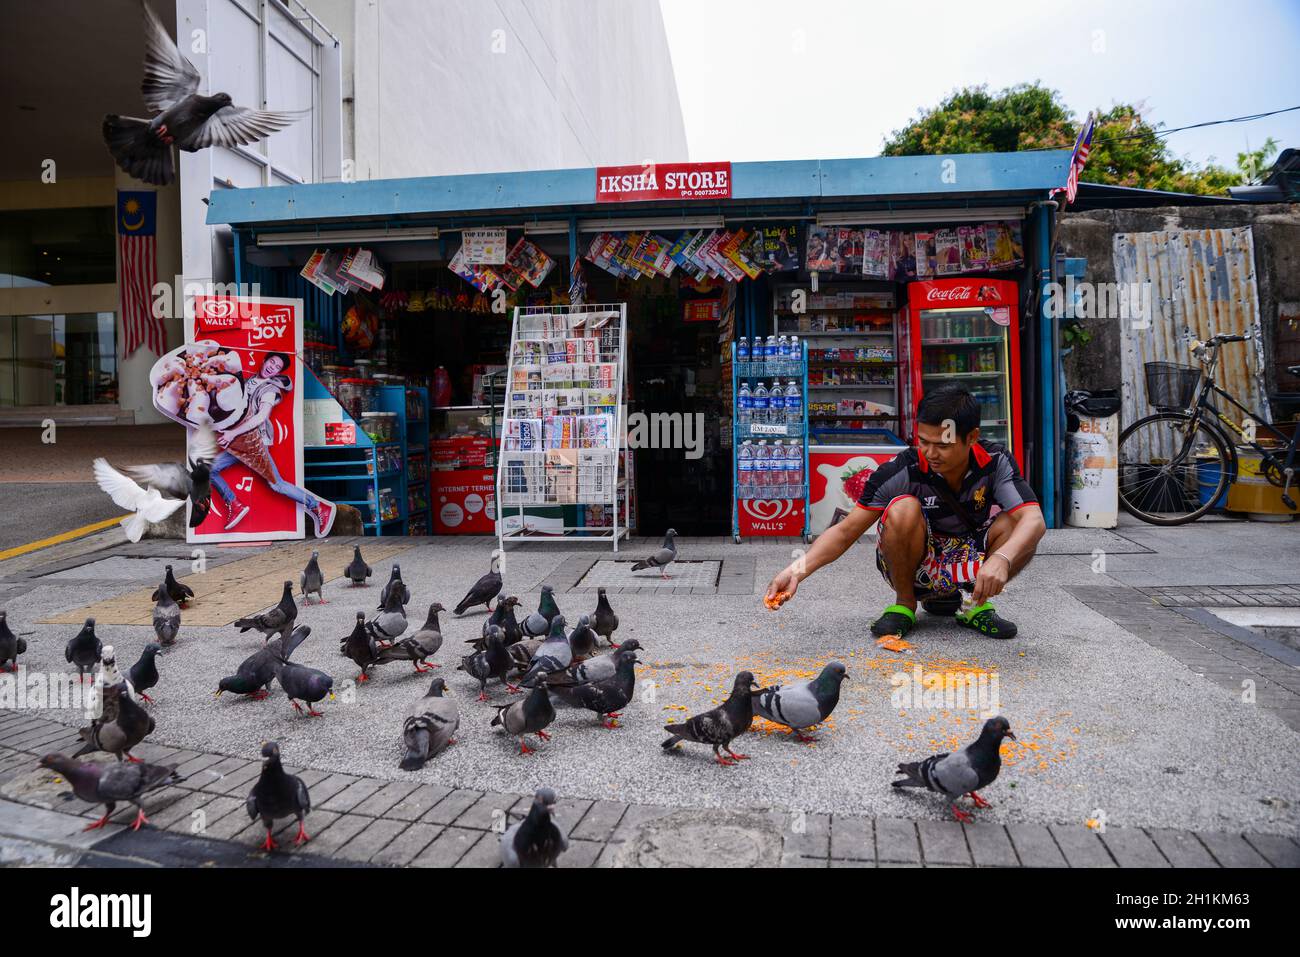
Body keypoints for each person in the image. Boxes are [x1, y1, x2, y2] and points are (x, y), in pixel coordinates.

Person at [765, 385, 1044, 639]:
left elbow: (1034, 520)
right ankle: (905, 604)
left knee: (1016, 522)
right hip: (918, 564)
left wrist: (1003, 559)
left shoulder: (996, 462)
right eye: (924, 441)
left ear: (972, 438)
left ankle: (975, 605)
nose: (931, 453)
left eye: (943, 445)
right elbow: (845, 531)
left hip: (971, 559)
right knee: (902, 508)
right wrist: (796, 571)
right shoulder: (902, 469)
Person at [209, 351, 335, 536]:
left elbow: (262, 416)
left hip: (253, 441)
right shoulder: (250, 380)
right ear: (265, 360)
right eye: (272, 362)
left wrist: (232, 433)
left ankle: (318, 506)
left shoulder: (269, 390)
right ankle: (235, 504)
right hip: (241, 440)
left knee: (277, 485)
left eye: (277, 368)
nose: (272, 368)